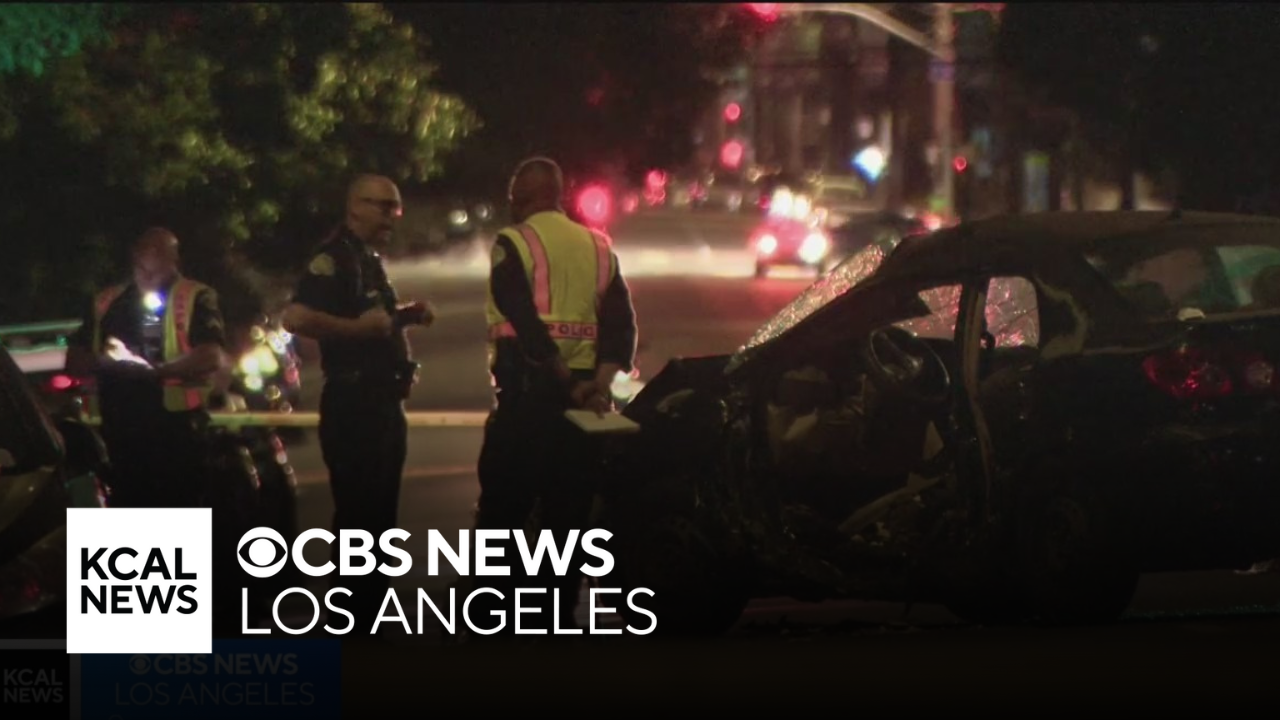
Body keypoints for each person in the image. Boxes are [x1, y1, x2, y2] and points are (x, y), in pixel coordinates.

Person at [470, 156, 637, 636]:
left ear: (521, 198)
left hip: (529, 404)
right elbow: (622, 328)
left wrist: (567, 381)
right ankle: (555, 619)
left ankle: (489, 618)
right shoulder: (598, 247)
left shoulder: (513, 242)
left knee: (502, 514)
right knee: (567, 520)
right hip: (582, 412)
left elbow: (524, 322)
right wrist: (597, 387)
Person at [282, 174, 435, 636]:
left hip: (382, 403)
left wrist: (404, 317)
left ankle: (370, 616)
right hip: (354, 404)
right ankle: (351, 623)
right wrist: (359, 330)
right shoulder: (334, 259)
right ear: (355, 207)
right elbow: (296, 316)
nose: (392, 217)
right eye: (383, 207)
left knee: (379, 521)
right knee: (359, 520)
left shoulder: (367, 259)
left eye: (396, 208)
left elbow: (372, 320)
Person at [65, 227, 227, 509]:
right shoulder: (108, 303)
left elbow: (210, 356)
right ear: (134, 259)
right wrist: (107, 364)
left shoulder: (194, 297)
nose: (149, 276)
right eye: (143, 267)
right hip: (119, 434)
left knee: (178, 510)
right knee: (128, 514)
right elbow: (74, 360)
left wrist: (156, 372)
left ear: (174, 260)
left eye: (158, 265)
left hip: (176, 433)